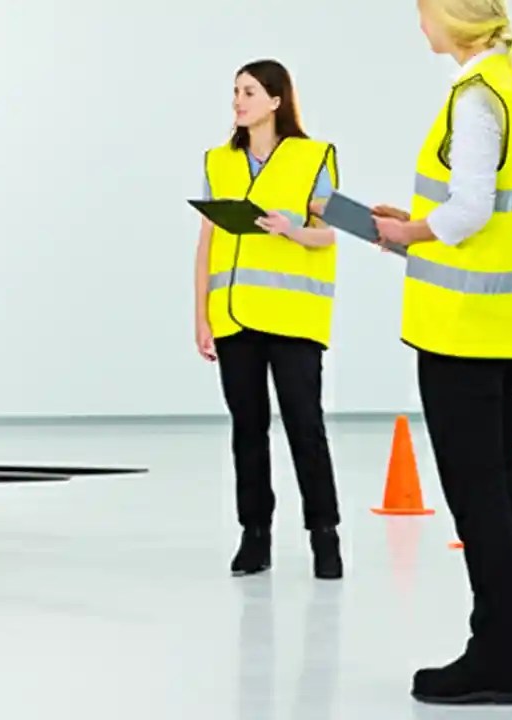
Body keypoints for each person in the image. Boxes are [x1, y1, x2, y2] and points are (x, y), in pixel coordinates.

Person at [371, 0, 512, 705]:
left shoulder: (477, 95)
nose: (420, 24)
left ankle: (497, 660)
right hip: (497, 326)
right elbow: (483, 206)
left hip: (465, 330)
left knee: (479, 495)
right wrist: (415, 224)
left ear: (454, 18)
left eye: (425, 11)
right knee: (502, 489)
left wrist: (408, 233)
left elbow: (471, 209)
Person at [194, 59, 343, 581]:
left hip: (294, 317)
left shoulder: (313, 156)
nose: (238, 101)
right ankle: (254, 535)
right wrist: (201, 316)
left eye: (250, 92)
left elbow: (330, 232)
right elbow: (207, 243)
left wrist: (291, 230)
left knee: (306, 427)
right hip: (234, 318)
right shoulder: (218, 162)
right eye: (235, 91)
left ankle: (325, 535)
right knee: (247, 430)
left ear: (276, 100)